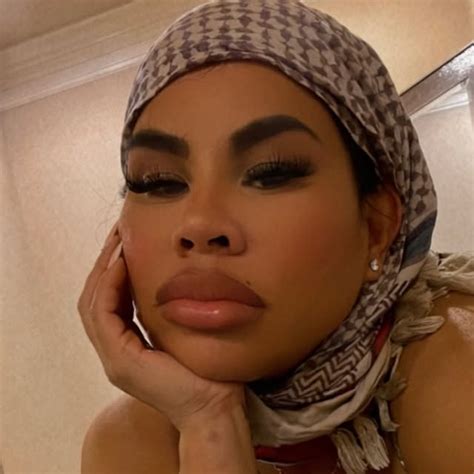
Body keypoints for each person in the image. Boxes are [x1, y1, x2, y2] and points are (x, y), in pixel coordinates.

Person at [77, 1, 474, 473]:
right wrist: (209, 423)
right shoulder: (127, 445)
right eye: (157, 181)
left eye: (271, 173)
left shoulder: (455, 366)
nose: (199, 224)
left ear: (377, 228)